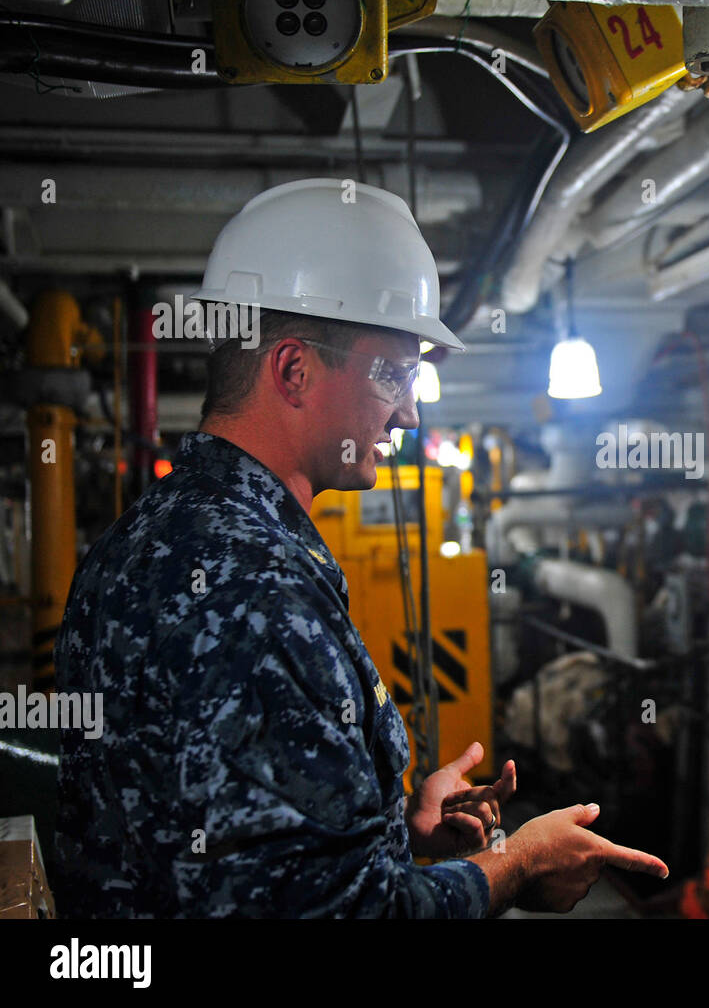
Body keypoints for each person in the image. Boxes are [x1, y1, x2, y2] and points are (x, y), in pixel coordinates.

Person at [53, 178, 667, 918]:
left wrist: (389, 824)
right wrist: (515, 863)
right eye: (396, 373)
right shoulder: (256, 590)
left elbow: (238, 846)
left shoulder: (145, 537)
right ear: (294, 371)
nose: (410, 409)